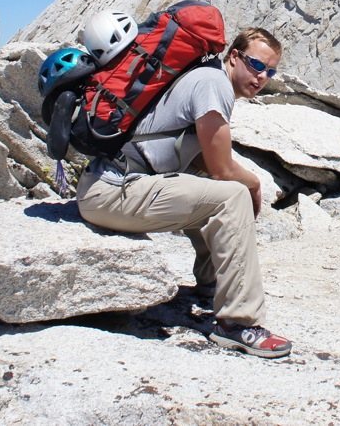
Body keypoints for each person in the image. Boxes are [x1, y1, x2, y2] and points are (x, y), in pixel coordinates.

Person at [74, 26, 292, 358]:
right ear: (234, 56)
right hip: (111, 191)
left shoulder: (208, 77)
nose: (262, 77)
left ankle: (213, 284)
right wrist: (254, 183)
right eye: (257, 65)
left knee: (218, 186)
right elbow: (223, 168)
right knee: (232, 194)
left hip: (111, 184)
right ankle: (238, 323)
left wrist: (236, 180)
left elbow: (208, 166)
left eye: (270, 71)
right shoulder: (213, 84)